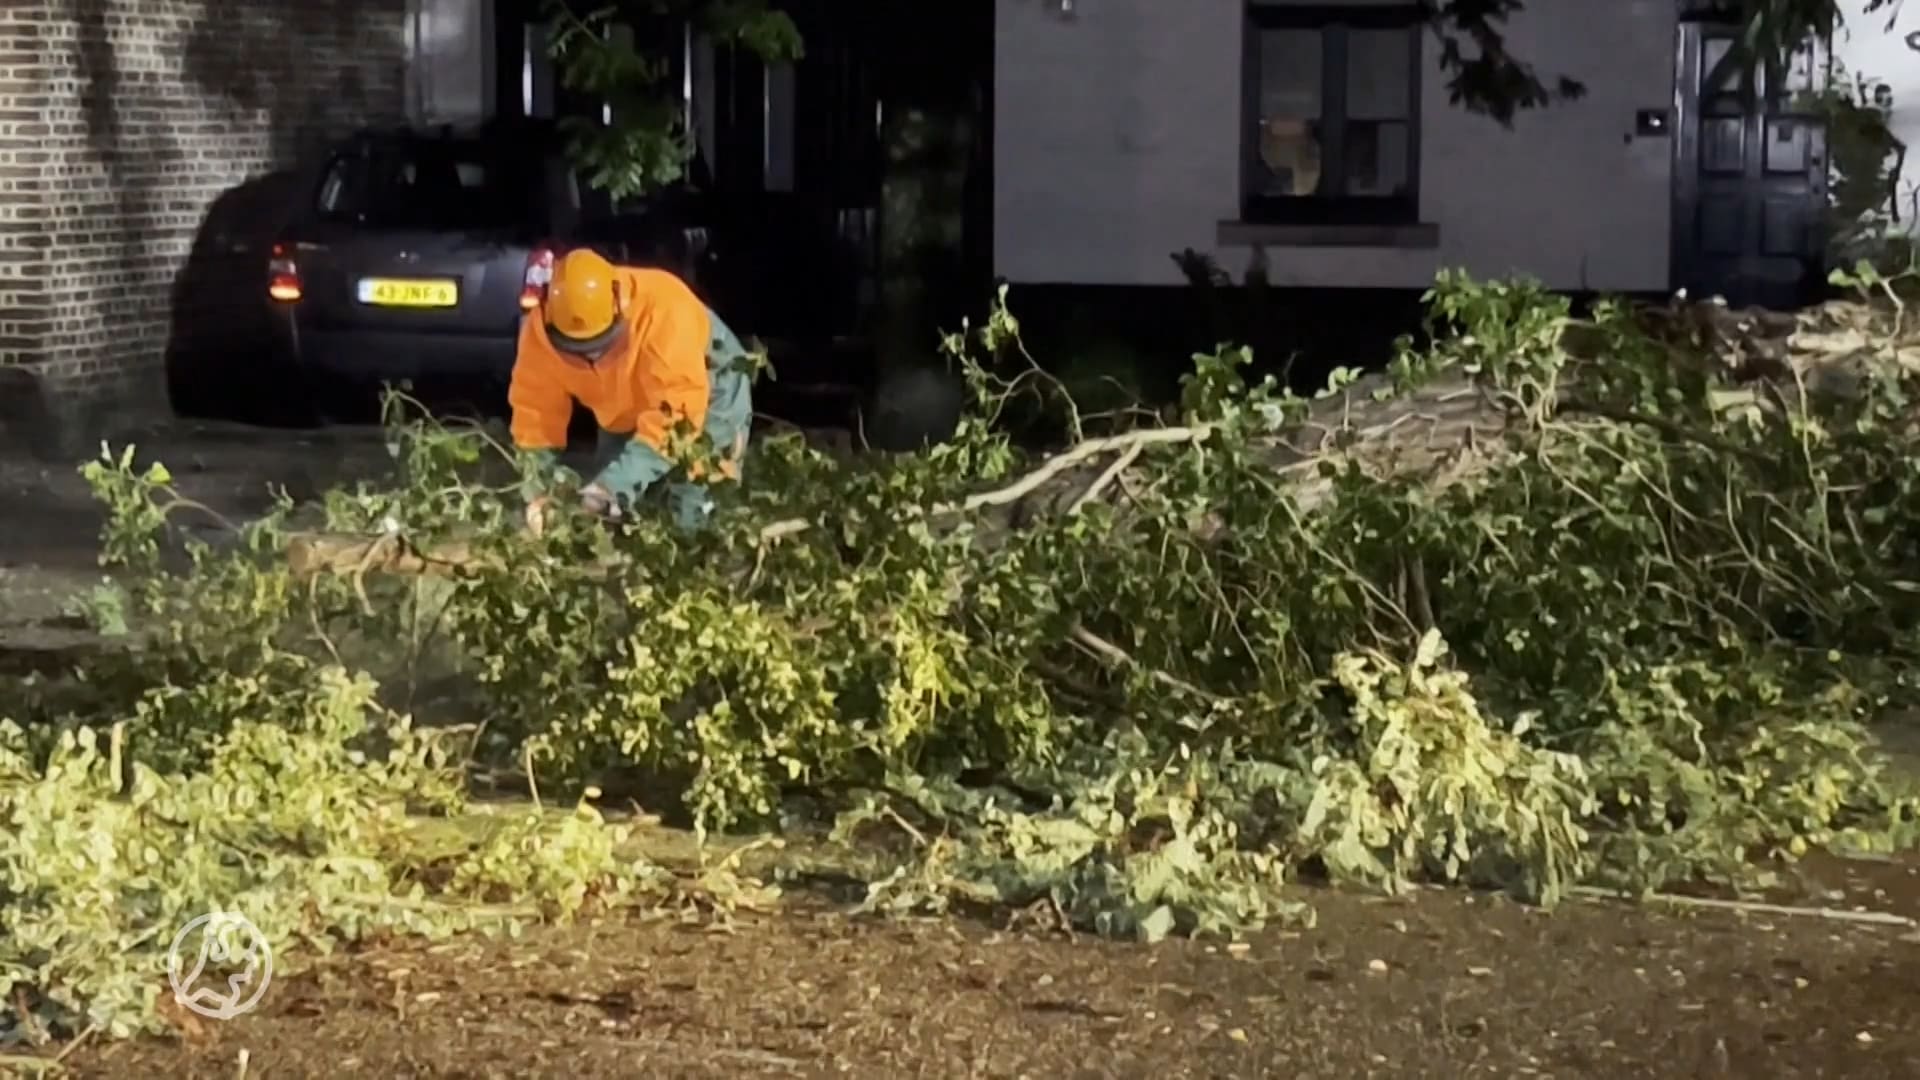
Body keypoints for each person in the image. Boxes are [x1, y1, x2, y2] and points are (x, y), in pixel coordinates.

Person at [508, 248, 754, 535]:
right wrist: (539, 490)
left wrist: (612, 485)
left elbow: (677, 420)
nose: (593, 358)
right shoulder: (539, 335)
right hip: (623, 401)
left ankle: (700, 552)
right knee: (613, 513)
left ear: (619, 308)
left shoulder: (665, 313)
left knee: (695, 500)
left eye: (600, 345)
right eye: (578, 351)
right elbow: (534, 415)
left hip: (706, 388)